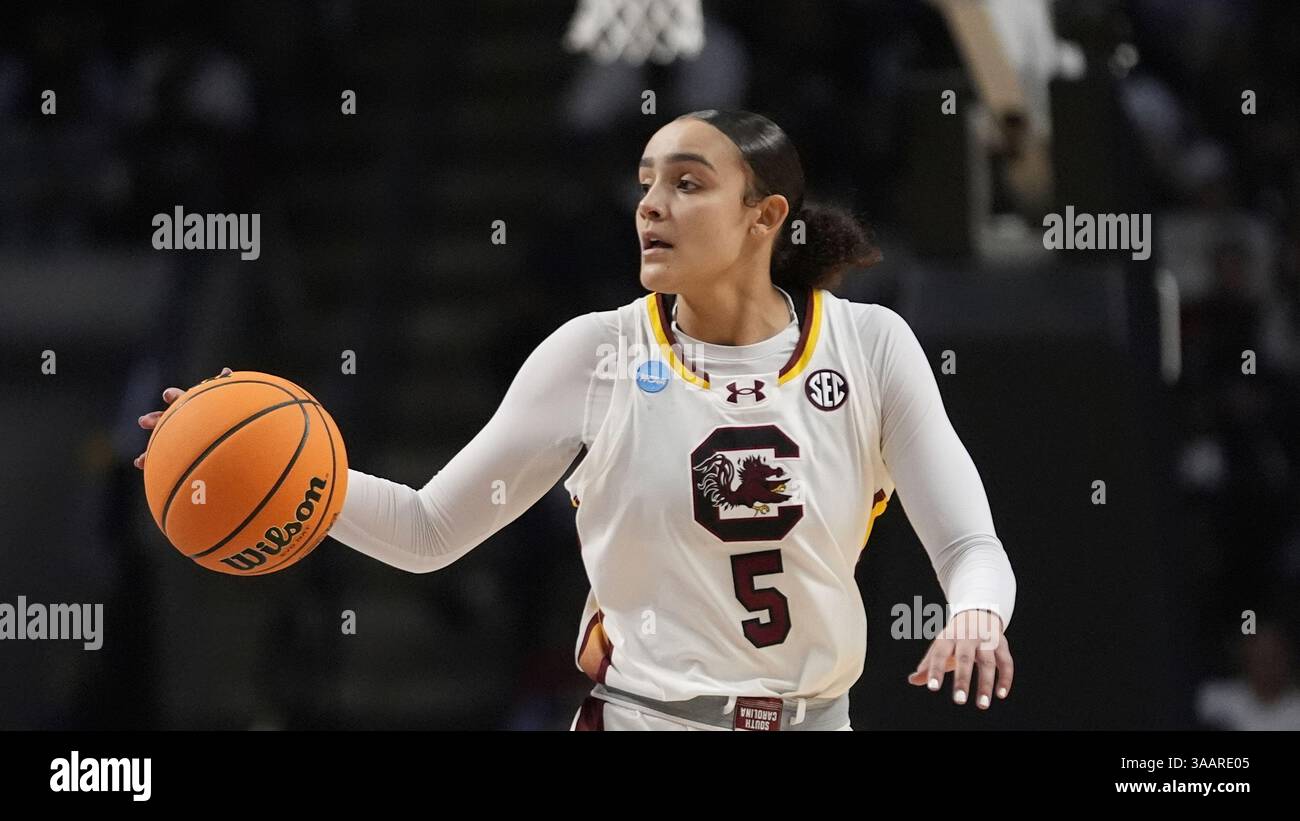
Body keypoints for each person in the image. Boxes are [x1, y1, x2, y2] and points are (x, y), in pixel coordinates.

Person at [135, 109, 1016, 731]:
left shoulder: (869, 346)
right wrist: (280, 471)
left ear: (765, 217)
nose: (651, 205)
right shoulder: (595, 355)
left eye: (687, 183)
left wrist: (976, 612)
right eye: (646, 183)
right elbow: (428, 529)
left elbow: (970, 544)